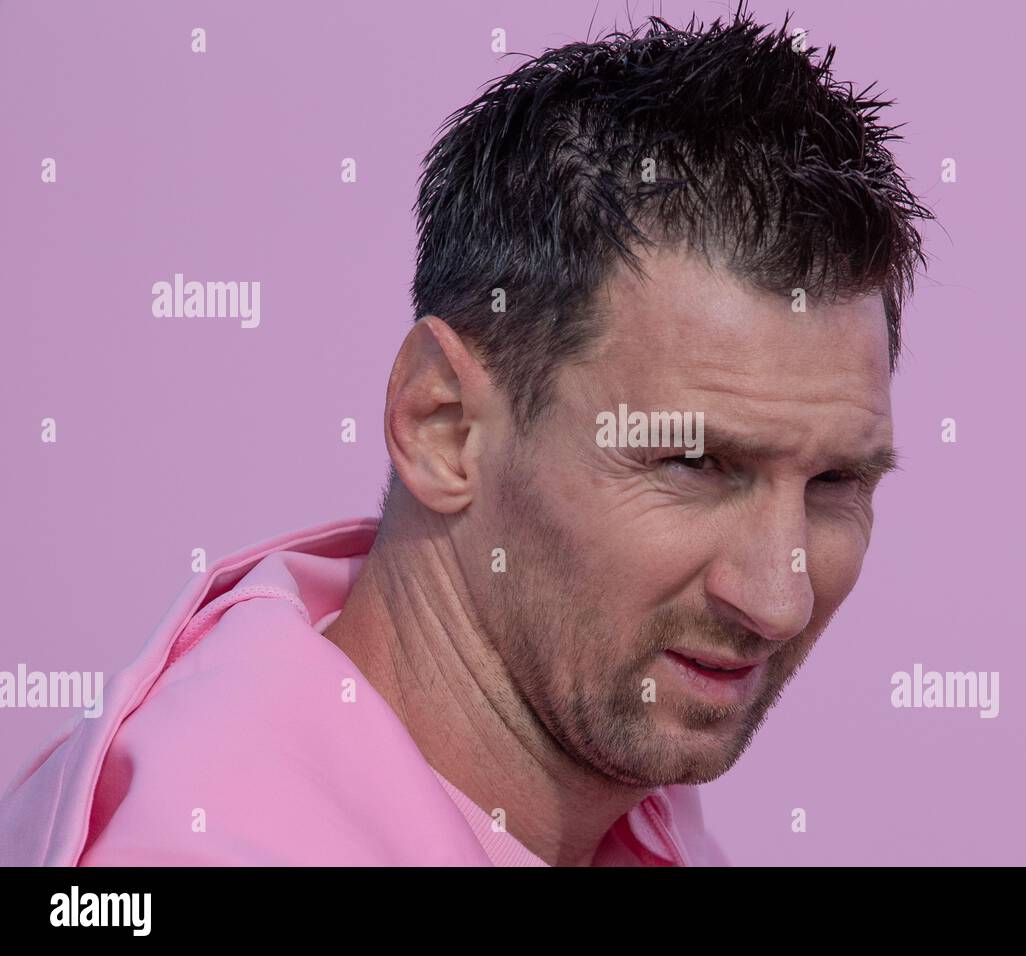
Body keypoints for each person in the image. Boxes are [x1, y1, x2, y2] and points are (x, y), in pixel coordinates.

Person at [0, 5, 932, 867]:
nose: (778, 600)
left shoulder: (591, 778)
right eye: (693, 461)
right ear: (442, 426)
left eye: (837, 482)